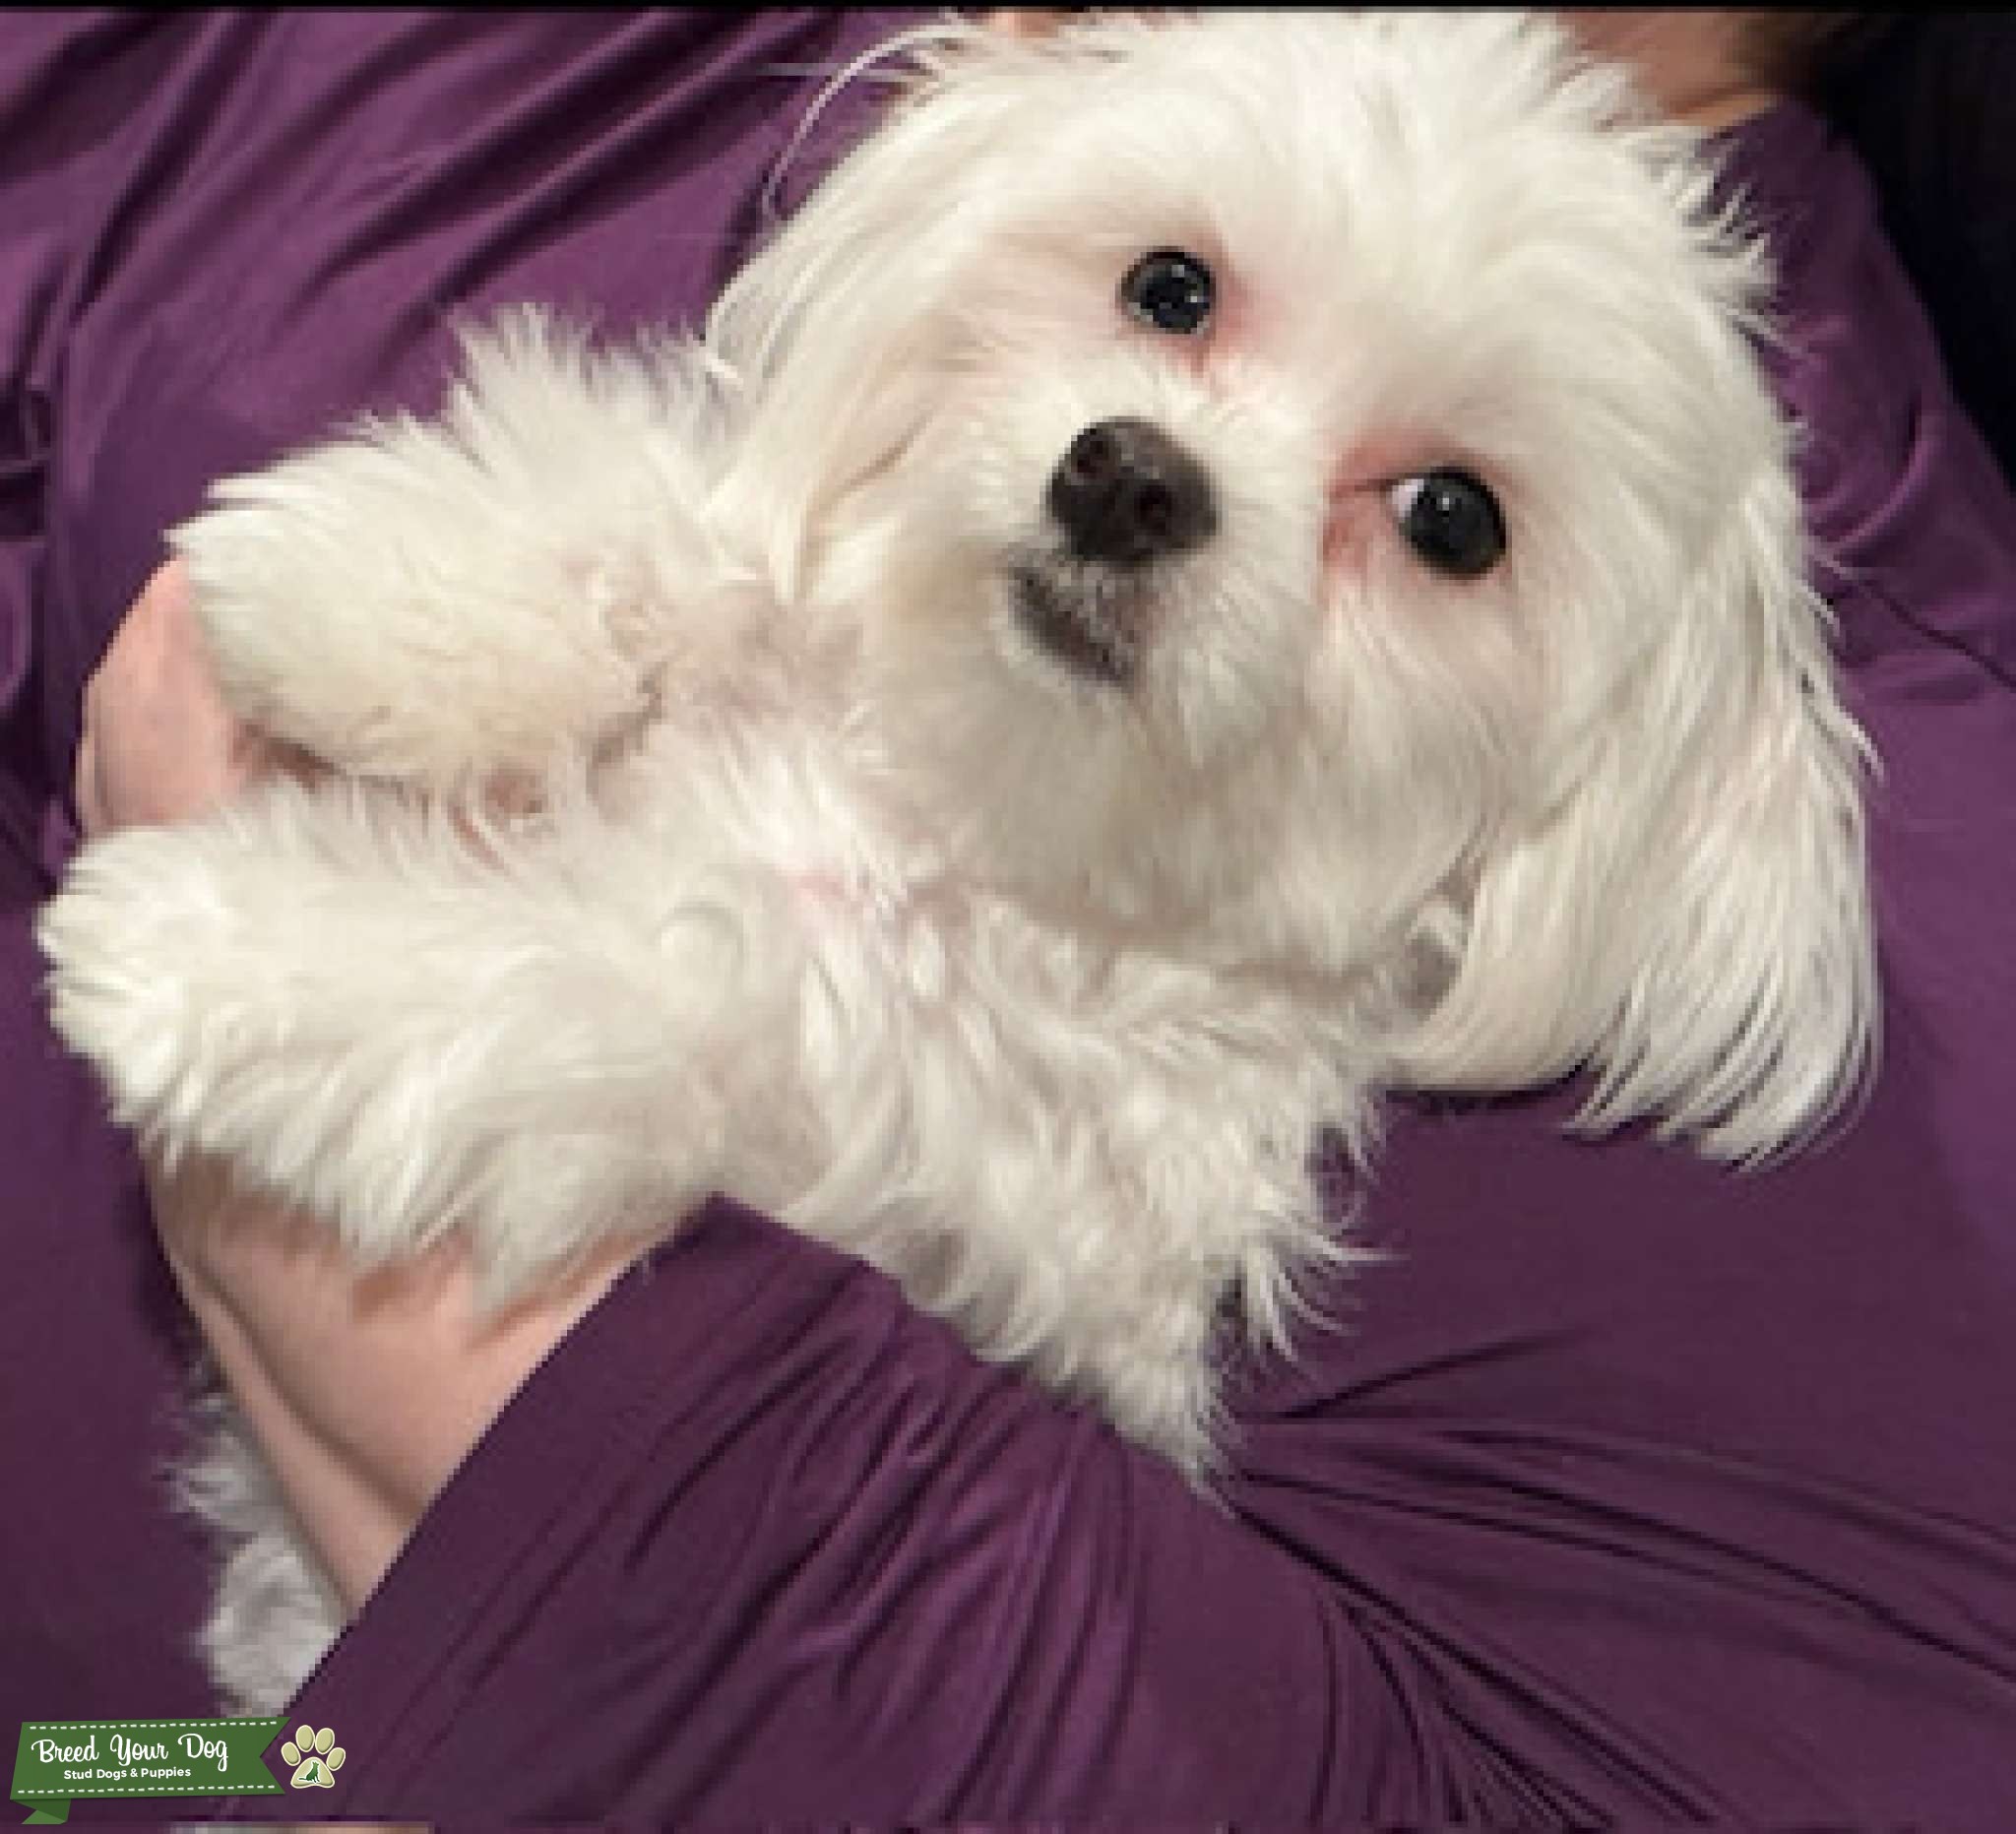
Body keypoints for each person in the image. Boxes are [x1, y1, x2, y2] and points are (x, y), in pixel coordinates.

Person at [10, 9, 2016, 1821]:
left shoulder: (1921, 894)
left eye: (1439, 520)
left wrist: (331, 1040)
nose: (1166, 464)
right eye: (1170, 300)